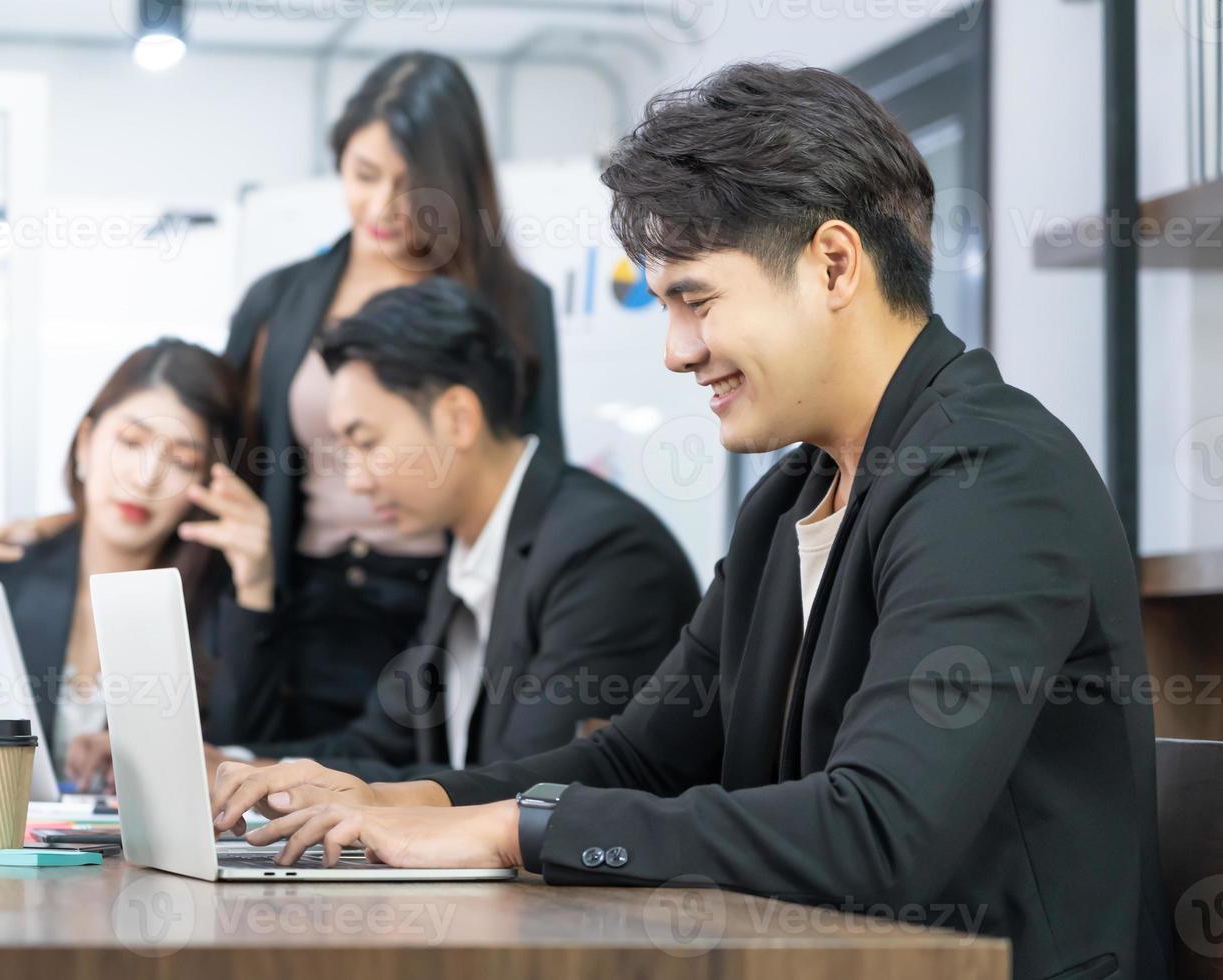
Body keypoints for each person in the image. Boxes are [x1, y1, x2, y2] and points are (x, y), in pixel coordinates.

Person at [206, 64, 1170, 980]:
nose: (676, 352)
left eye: (694, 300)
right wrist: (400, 800)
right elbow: (641, 757)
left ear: (833, 263)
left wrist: (506, 828)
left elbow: (880, 831)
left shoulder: (990, 478)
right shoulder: (788, 504)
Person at [215, 278, 700, 780]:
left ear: (458, 418)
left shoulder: (605, 556)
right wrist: (242, 769)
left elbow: (529, 785)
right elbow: (379, 745)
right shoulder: (470, 550)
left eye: (366, 442)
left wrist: (294, 784)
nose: (355, 480)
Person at [219, 51, 564, 741]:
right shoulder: (279, 300)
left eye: (411, 185)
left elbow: (540, 471)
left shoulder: (514, 302)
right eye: (363, 175)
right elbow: (225, 454)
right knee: (273, 805)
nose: (382, 208)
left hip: (441, 604)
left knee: (417, 805)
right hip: (301, 605)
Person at [0, 339, 273, 786]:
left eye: (182, 460)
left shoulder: (223, 604)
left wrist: (256, 591)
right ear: (85, 444)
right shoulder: (3, 579)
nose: (145, 479)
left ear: (208, 482)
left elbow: (244, 758)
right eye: (130, 441)